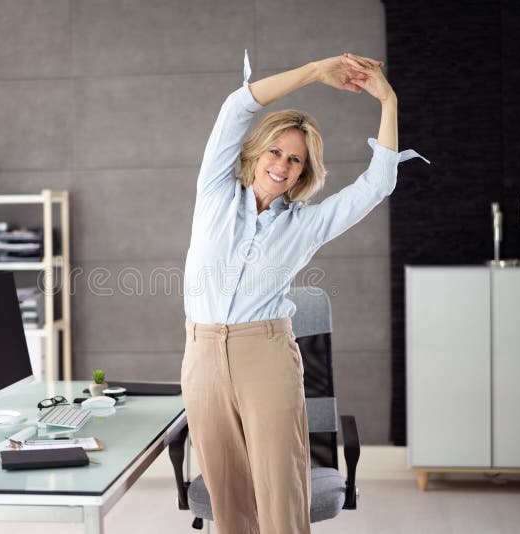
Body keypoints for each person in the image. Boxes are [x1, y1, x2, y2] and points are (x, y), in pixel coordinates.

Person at [181, 50, 429, 534]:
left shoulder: (307, 225)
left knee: (281, 495)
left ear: (304, 172)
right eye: (275, 151)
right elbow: (238, 106)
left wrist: (388, 101)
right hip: (201, 354)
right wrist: (316, 72)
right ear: (256, 154)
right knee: (227, 499)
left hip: (266, 356)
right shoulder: (214, 191)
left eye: (295, 159)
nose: (282, 164)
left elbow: (379, 182)